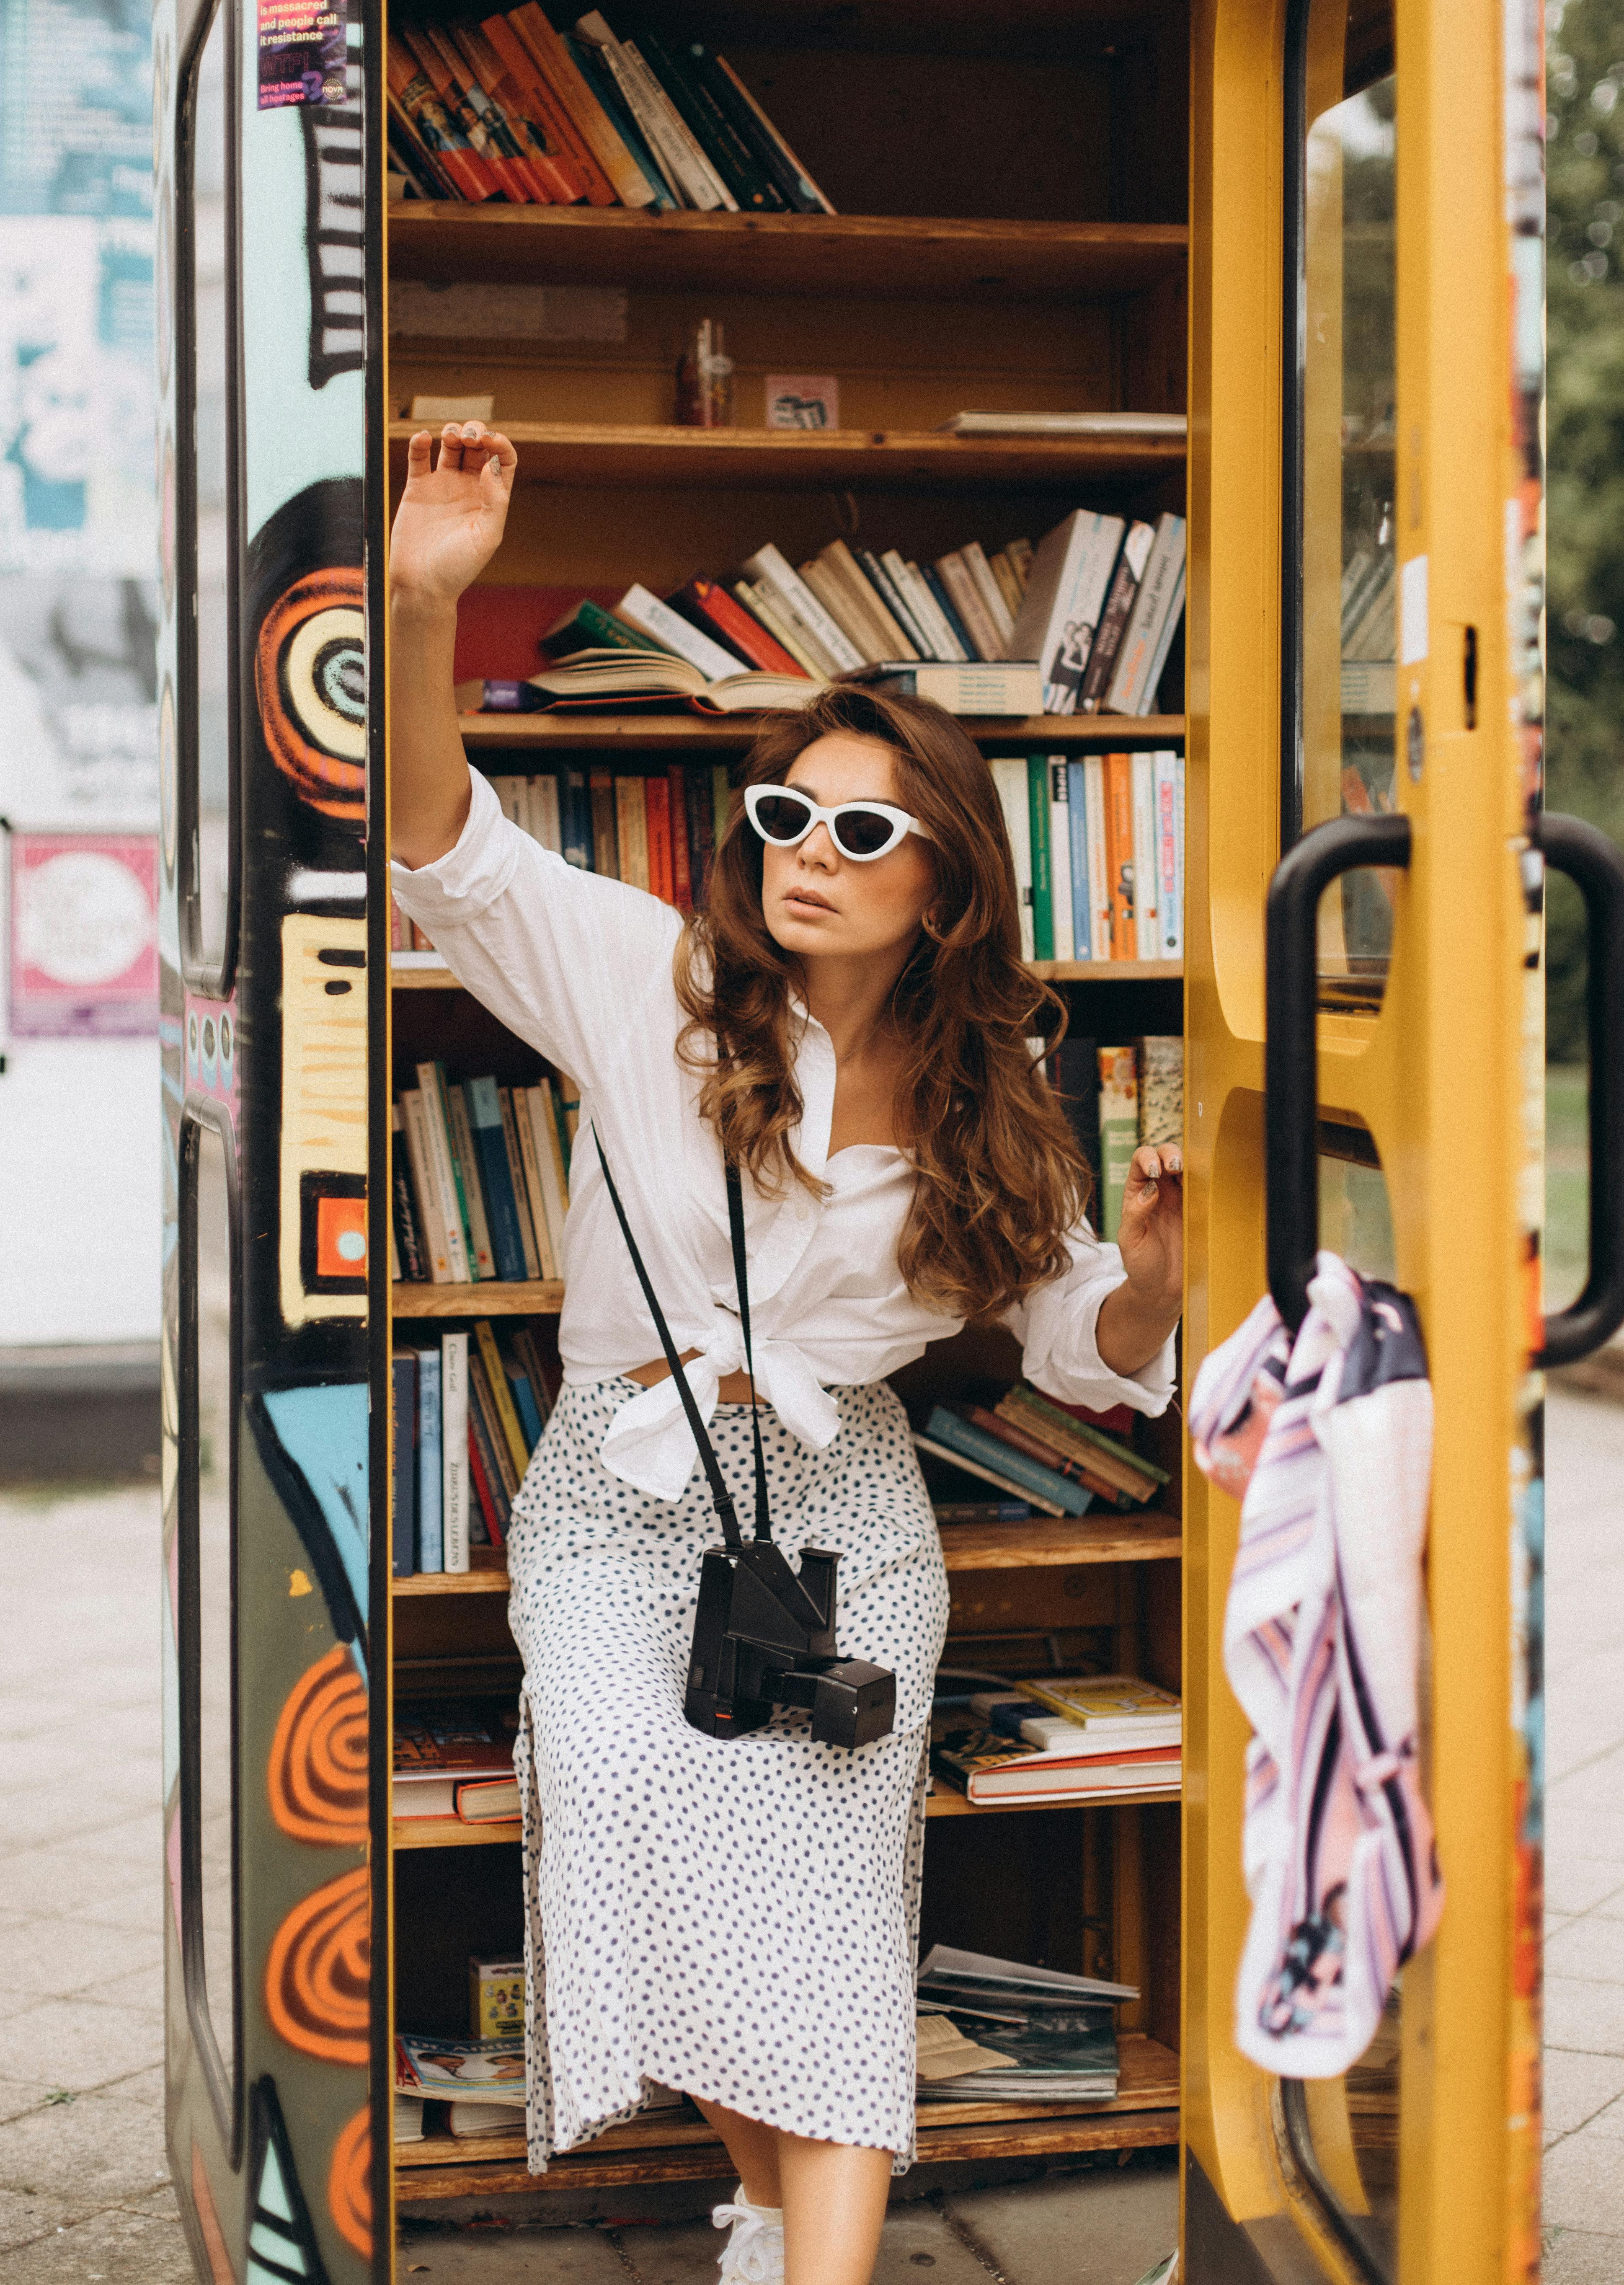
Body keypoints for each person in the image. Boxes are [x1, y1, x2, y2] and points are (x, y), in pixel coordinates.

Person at [389, 424, 1184, 2285]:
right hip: (618, 1494)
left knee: (819, 1922)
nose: (811, 856)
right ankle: (763, 2207)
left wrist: (1153, 1279)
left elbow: (1082, 1343)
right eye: (786, 820)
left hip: (838, 1520)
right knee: (643, 1840)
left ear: (947, 886)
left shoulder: (997, 1098)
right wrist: (420, 602)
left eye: (864, 832)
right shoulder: (651, 984)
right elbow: (449, 850)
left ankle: (800, 2255)